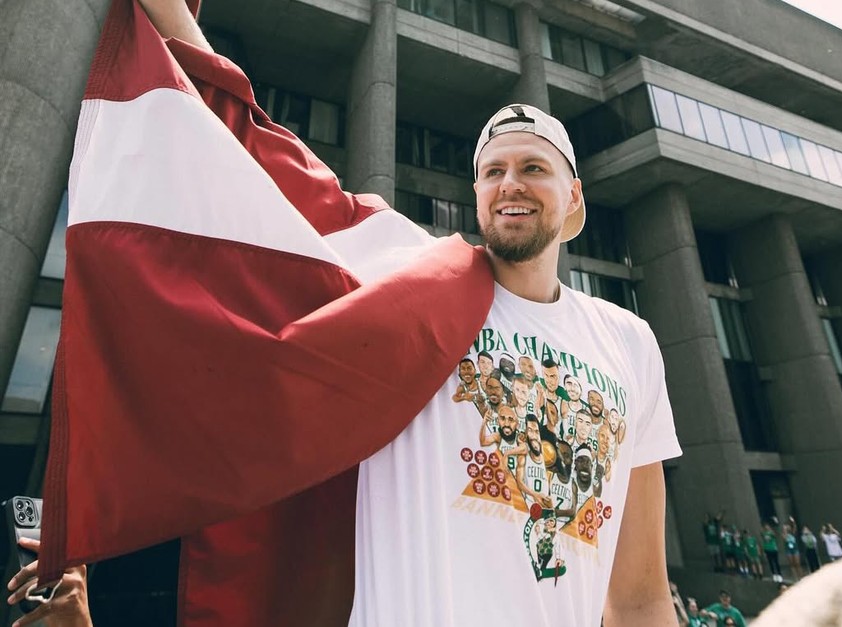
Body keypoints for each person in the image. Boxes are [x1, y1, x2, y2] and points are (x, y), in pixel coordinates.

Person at [8, 1, 683, 625]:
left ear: (573, 198)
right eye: (492, 171)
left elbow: (641, 593)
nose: (510, 183)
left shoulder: (628, 344)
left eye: (533, 168)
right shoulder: (417, 281)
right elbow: (267, 157)